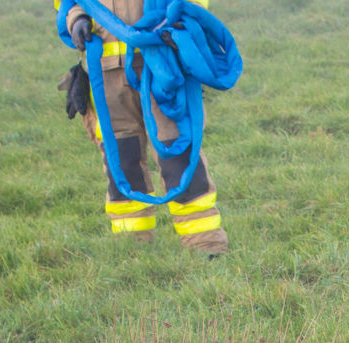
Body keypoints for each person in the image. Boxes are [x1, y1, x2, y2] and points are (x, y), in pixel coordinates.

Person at [58, 0, 228, 254]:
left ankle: (206, 246)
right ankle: (132, 248)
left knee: (178, 156)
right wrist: (76, 17)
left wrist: (183, 22)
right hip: (106, 73)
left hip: (163, 65)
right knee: (121, 162)